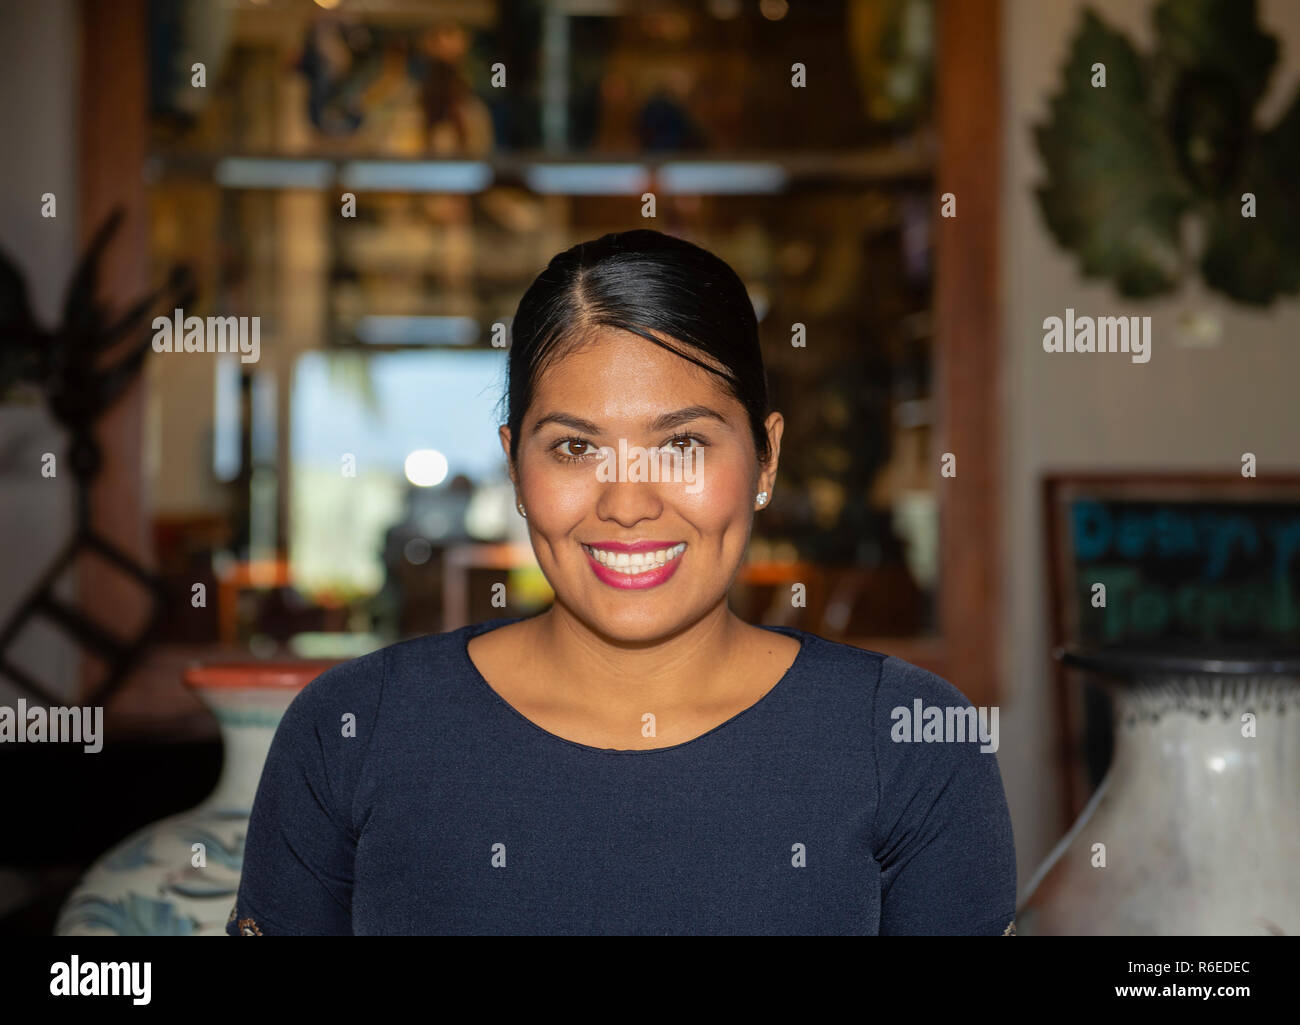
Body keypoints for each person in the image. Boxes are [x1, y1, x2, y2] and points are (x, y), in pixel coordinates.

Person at [227, 229, 1016, 935]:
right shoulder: (352, 733)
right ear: (514, 464)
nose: (628, 503)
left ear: (766, 458)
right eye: (574, 448)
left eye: (681, 445)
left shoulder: (910, 743)